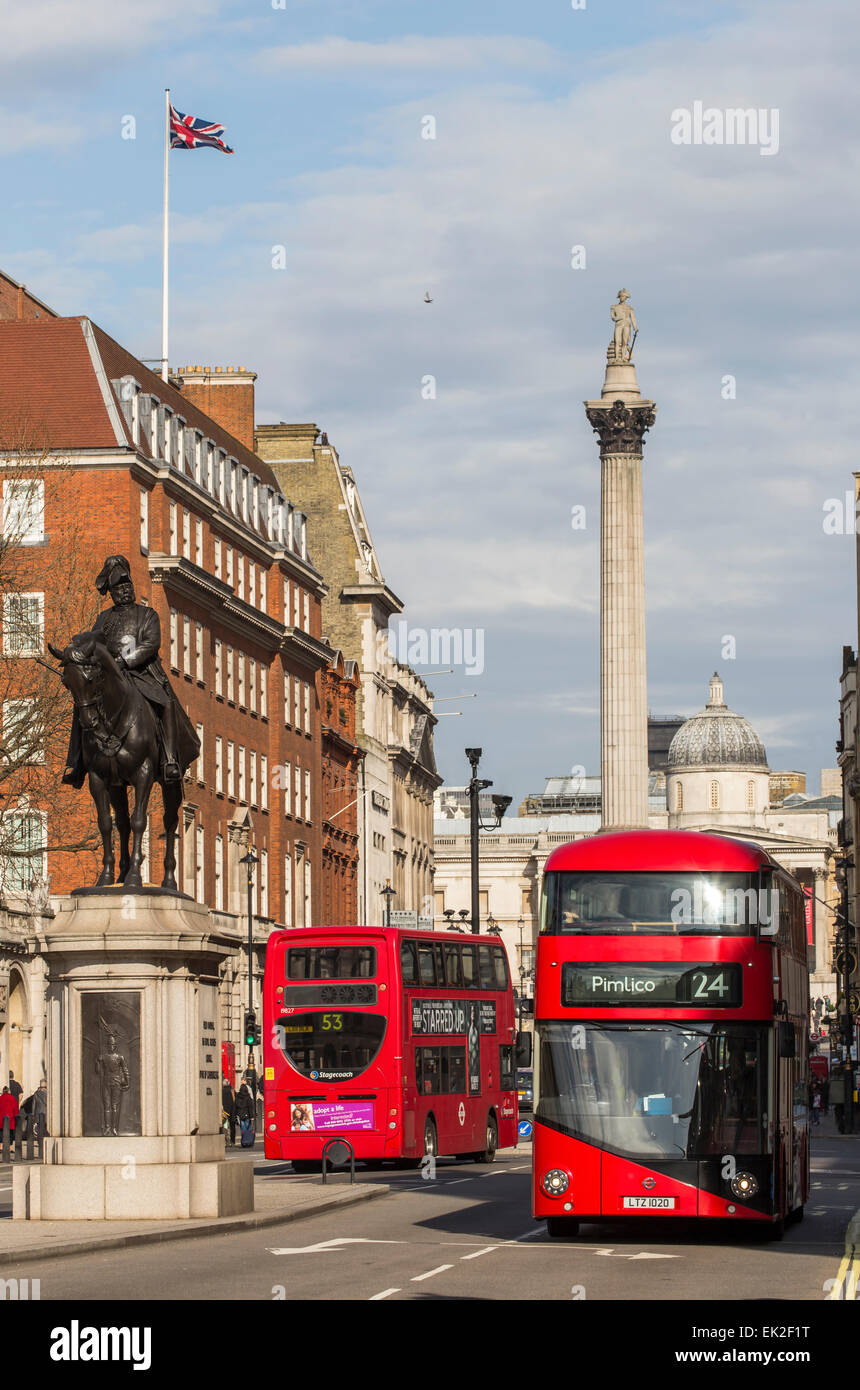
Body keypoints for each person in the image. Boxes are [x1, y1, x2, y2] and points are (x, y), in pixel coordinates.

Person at [62, 554, 199, 788]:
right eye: (119, 588)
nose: (125, 591)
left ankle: (169, 759)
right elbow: (92, 640)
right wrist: (74, 649)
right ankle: (77, 762)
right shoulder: (104, 618)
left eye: (127, 586)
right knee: (82, 705)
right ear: (112, 593)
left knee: (165, 704)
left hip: (142, 674)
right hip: (109, 678)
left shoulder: (147, 615)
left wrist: (124, 661)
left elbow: (150, 643)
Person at [235, 1082, 255, 1147]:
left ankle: (244, 1141)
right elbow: (250, 1108)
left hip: (240, 1115)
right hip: (247, 1115)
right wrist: (252, 1116)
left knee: (243, 1130)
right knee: (248, 1129)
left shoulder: (238, 1097)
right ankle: (248, 1141)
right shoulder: (248, 1097)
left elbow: (236, 1105)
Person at [221, 1079, 237, 1146]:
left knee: (225, 1126)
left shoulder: (222, 1091)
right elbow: (235, 1101)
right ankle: (232, 1141)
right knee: (232, 1127)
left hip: (225, 1112)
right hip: (232, 1111)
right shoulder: (232, 1091)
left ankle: (226, 1141)